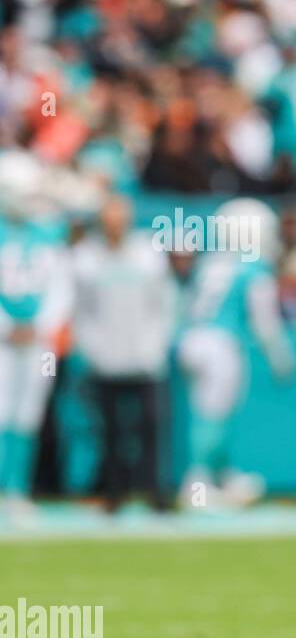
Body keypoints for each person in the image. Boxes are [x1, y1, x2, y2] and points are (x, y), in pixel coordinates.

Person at [175, 198, 296, 508]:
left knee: (210, 412)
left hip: (192, 339)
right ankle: (197, 482)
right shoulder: (253, 268)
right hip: (220, 345)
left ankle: (221, 476)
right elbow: (264, 322)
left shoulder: (212, 263)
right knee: (214, 415)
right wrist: (280, 358)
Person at [73, 195, 177, 511]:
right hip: (106, 362)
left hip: (145, 360)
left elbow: (165, 304)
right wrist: (94, 351)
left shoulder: (148, 256)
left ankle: (154, 493)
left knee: (151, 428)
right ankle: (114, 495)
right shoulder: (85, 259)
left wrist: (156, 346)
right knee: (111, 431)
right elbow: (80, 311)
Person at [0, 150, 72, 517]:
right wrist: (7, 326)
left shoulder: (47, 234)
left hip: (38, 341)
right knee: (1, 411)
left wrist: (40, 326)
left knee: (28, 414)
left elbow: (62, 288)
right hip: (4, 341)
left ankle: (16, 490)